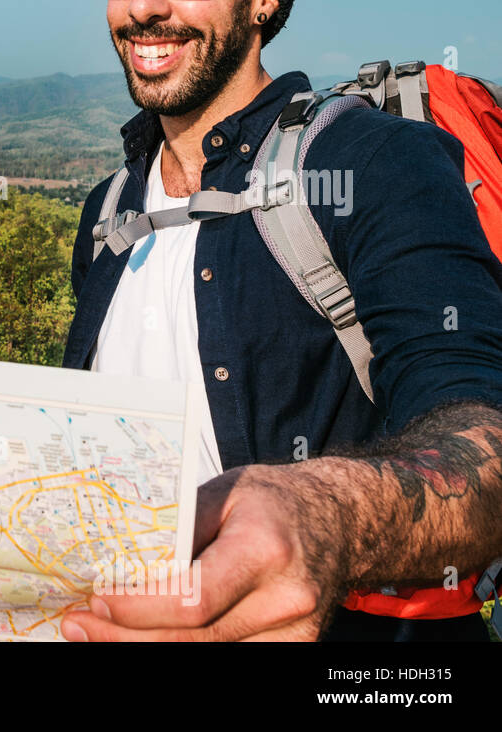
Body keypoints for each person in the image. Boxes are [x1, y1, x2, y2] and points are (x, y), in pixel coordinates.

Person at [58, 0, 502, 642]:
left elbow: (485, 431)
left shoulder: (376, 160)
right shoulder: (110, 212)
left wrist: (323, 516)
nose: (143, 10)